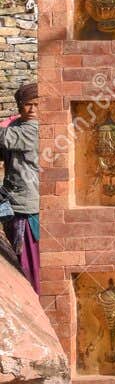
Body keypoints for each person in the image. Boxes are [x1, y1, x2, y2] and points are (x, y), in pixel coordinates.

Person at [0, 82, 40, 291]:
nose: (32, 110)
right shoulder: (16, 127)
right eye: (27, 105)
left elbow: (4, 138)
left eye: (37, 104)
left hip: (27, 205)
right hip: (11, 200)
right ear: (19, 106)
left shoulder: (35, 129)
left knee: (28, 262)